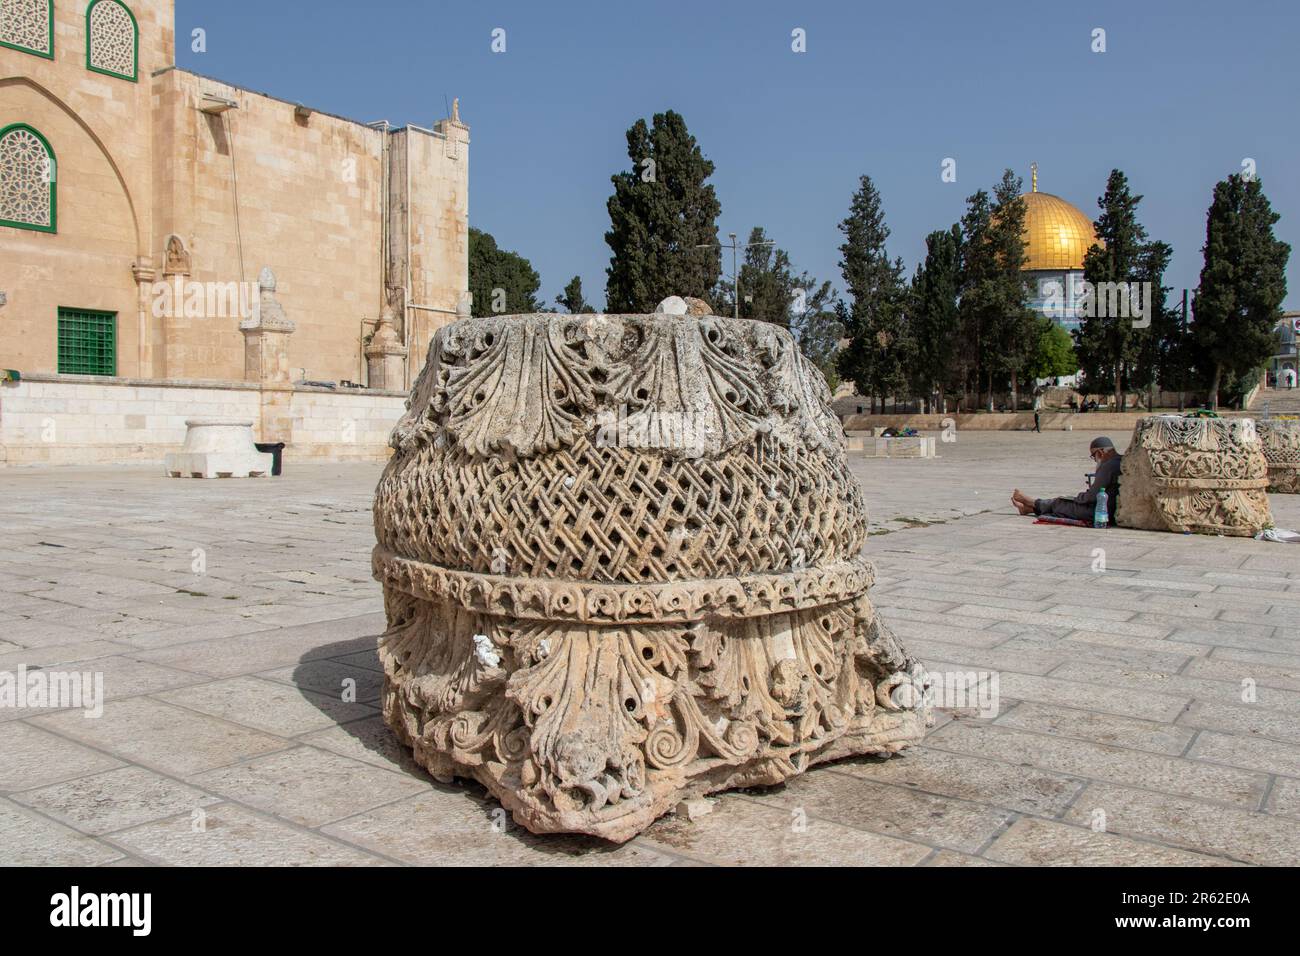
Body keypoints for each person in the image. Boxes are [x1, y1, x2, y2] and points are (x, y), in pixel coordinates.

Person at [1012, 436, 1121, 523]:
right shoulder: (1119, 460)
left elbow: (1091, 497)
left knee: (1060, 503)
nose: (1095, 460)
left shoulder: (1107, 466)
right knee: (1063, 504)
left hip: (1100, 511)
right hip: (1108, 507)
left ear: (1100, 453)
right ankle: (1028, 509)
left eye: (1094, 456)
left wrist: (1077, 498)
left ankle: (1030, 502)